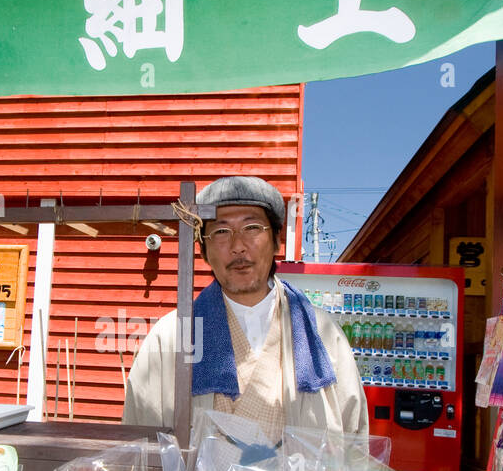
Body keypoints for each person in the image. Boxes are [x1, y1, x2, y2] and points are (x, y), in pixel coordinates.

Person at [121, 176, 367, 440]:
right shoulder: (169, 337)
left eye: (252, 227)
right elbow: (140, 445)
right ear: (203, 250)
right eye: (221, 232)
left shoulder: (321, 334)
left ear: (276, 241)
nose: (238, 246)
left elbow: (354, 445)